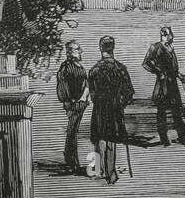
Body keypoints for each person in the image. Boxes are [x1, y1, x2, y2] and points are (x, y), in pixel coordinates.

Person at [87, 35, 134, 185]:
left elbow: (92, 93)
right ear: (113, 48)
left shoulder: (94, 70)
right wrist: (120, 103)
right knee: (111, 139)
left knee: (99, 137)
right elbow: (129, 92)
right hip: (114, 109)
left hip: (100, 109)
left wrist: (98, 100)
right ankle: (111, 173)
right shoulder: (121, 68)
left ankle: (97, 171)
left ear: (101, 48)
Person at [143, 26, 185, 147]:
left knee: (177, 111)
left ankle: (182, 137)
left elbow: (173, 67)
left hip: (173, 85)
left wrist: (179, 75)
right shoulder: (156, 47)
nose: (173, 37)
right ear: (165, 35)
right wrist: (159, 72)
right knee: (162, 113)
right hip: (163, 85)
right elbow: (146, 63)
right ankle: (164, 139)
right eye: (171, 34)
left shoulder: (170, 48)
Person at [56, 41, 89, 174]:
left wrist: (85, 98)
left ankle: (72, 162)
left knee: (73, 132)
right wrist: (69, 101)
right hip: (73, 104)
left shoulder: (79, 66)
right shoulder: (66, 67)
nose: (80, 51)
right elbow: (62, 87)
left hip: (81, 104)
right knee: (71, 133)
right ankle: (71, 163)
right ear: (70, 51)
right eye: (77, 49)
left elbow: (86, 83)